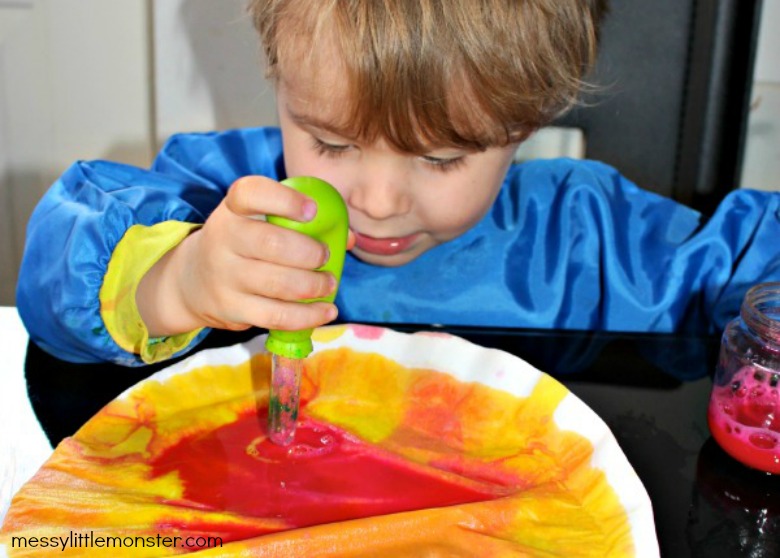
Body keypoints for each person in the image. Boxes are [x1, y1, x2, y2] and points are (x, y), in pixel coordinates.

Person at [16, 0, 780, 367]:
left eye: (442, 159)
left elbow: (757, 257)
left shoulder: (592, 241)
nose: (376, 202)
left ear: (521, 122)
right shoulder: (223, 200)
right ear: (280, 83)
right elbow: (60, 263)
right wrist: (176, 281)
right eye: (332, 142)